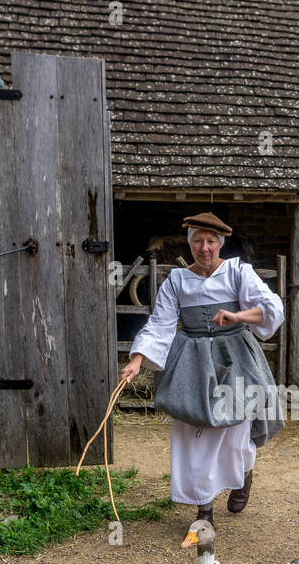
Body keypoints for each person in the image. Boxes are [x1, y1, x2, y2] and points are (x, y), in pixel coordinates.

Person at [120, 212, 284, 528]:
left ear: (220, 243)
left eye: (210, 241)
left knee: (235, 433)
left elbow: (271, 309)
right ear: (190, 244)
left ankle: (242, 473)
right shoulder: (177, 280)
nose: (204, 248)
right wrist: (137, 360)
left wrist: (238, 317)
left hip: (235, 359)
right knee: (194, 435)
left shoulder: (238, 272)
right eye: (197, 241)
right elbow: (160, 324)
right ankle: (204, 508)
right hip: (192, 361)